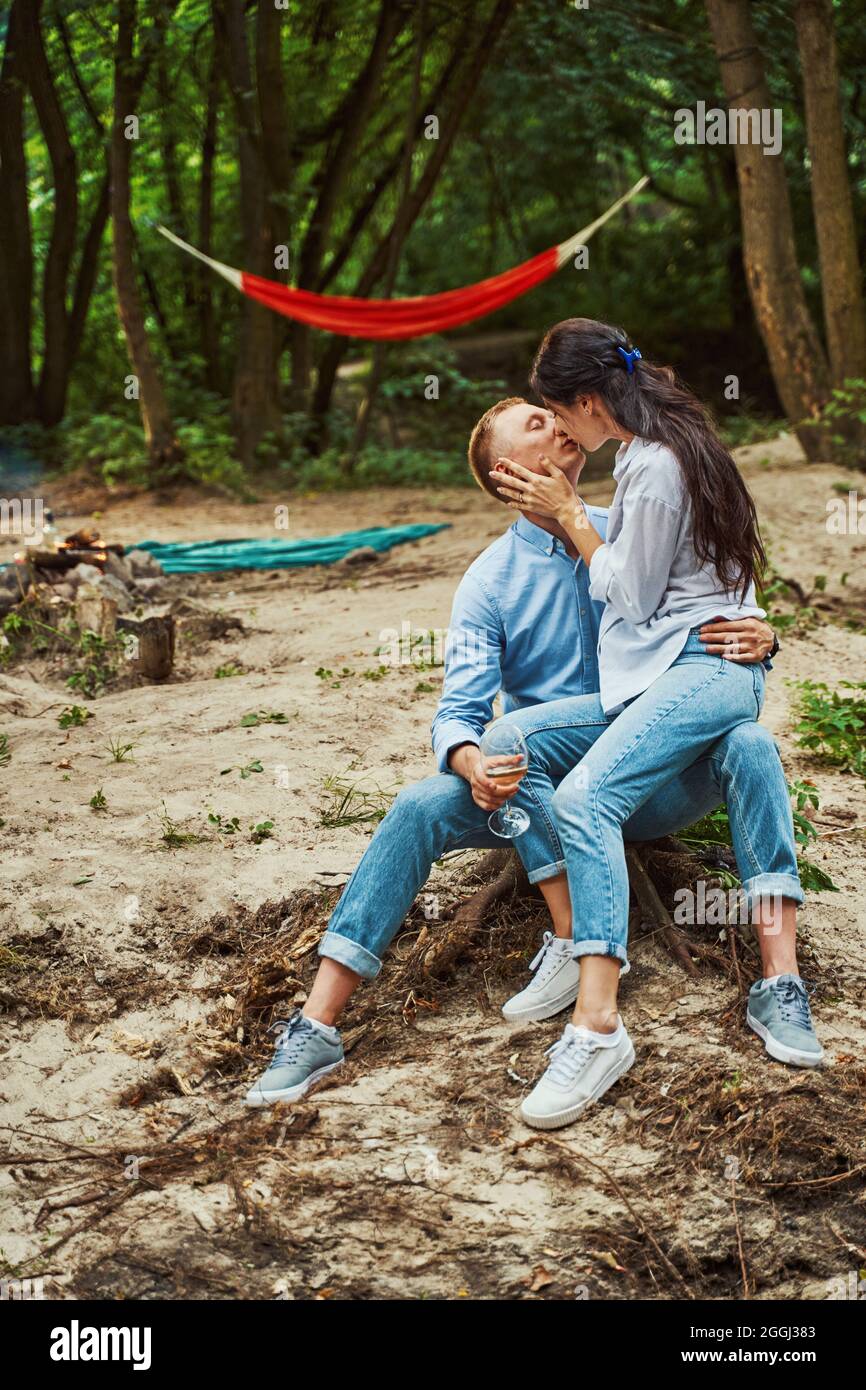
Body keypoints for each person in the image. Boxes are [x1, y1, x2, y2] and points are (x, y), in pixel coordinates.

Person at [244, 392, 802, 1110]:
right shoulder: (490, 581)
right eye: (537, 423)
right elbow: (461, 711)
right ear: (510, 472)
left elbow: (714, 614)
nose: (559, 422)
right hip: (534, 797)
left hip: (651, 777)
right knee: (422, 803)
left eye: (555, 411)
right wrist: (469, 760)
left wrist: (763, 637)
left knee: (750, 741)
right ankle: (316, 1024)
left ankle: (778, 982)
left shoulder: (625, 533)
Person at [486, 317, 822, 1132]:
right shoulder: (644, 454)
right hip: (673, 681)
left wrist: (570, 514)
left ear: (592, 399)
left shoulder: (658, 463)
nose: (559, 428)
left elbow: (633, 593)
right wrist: (561, 505)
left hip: (703, 673)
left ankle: (599, 1027)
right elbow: (690, 570)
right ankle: (594, 949)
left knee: (586, 800)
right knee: (517, 740)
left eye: (557, 412)